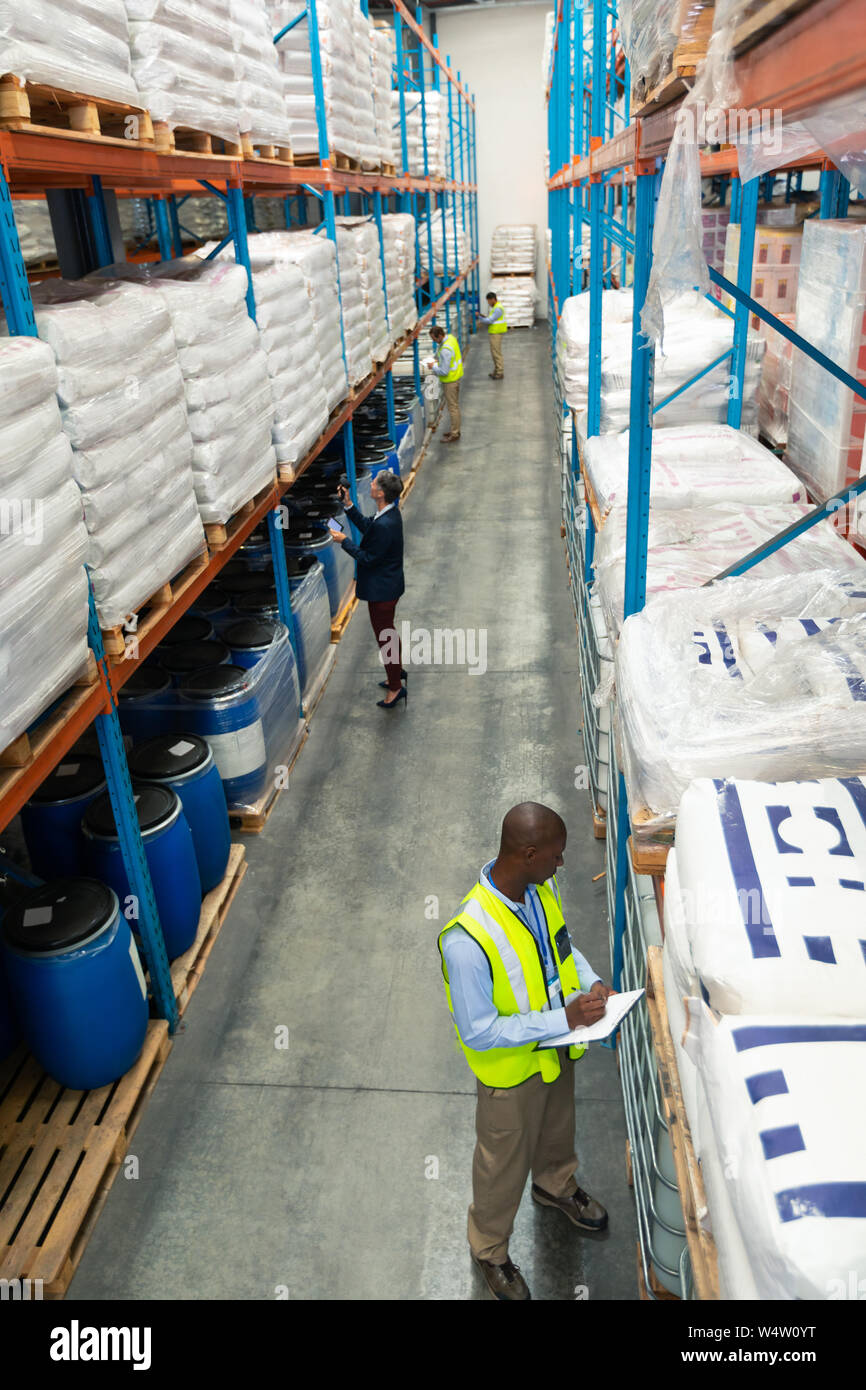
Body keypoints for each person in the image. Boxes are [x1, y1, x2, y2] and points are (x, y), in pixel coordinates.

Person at [437, 802, 616, 1301]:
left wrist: (590, 979)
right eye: (556, 856)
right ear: (529, 853)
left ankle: (556, 1186)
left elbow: (562, 945)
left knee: (558, 1130)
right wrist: (563, 1019)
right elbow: (479, 1032)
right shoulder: (467, 939)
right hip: (510, 1074)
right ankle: (490, 1249)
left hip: (555, 1049)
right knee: (501, 1166)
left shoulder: (540, 889)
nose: (561, 865)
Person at [330, 471, 407, 710]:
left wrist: (343, 541)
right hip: (387, 585)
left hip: (383, 591)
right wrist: (348, 504)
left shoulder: (386, 524)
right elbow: (367, 526)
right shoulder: (387, 513)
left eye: (373, 483)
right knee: (388, 633)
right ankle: (396, 673)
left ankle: (395, 687)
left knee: (385, 637)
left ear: (381, 493)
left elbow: (368, 558)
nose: (370, 484)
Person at [429, 324, 463, 444]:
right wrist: (439, 360)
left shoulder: (445, 350)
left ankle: (455, 433)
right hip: (456, 377)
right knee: (454, 406)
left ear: (439, 337)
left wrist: (433, 366)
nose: (434, 342)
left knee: (453, 407)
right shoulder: (450, 338)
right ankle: (455, 429)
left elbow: (444, 371)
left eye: (434, 339)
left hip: (450, 381)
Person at [478, 291, 508, 380]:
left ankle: (499, 372)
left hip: (496, 333)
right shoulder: (495, 307)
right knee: (494, 352)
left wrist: (480, 318)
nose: (488, 303)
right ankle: (496, 371)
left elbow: (490, 320)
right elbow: (490, 319)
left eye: (488, 301)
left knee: (496, 353)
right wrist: (483, 317)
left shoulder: (498, 308)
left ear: (493, 299)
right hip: (494, 333)